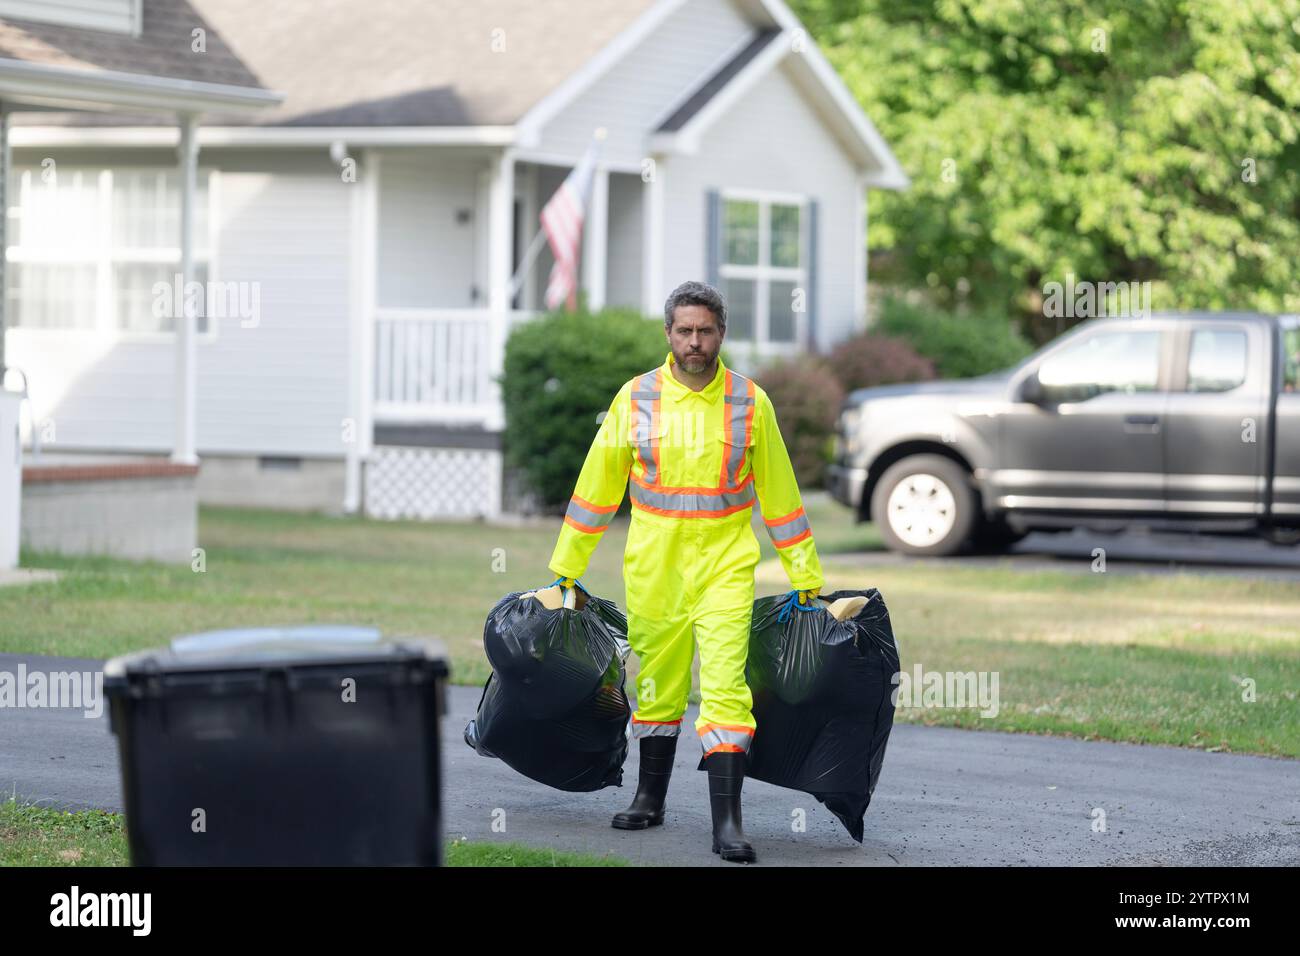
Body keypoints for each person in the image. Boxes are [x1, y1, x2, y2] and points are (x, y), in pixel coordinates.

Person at [547, 280, 824, 863]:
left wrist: (805, 574)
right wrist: (567, 569)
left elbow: (780, 495)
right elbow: (596, 489)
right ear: (668, 334)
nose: (694, 342)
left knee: (726, 689)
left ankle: (728, 824)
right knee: (657, 687)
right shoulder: (636, 398)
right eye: (684, 331)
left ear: (722, 333)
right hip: (654, 570)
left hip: (726, 568)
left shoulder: (751, 402)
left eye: (705, 331)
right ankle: (650, 800)